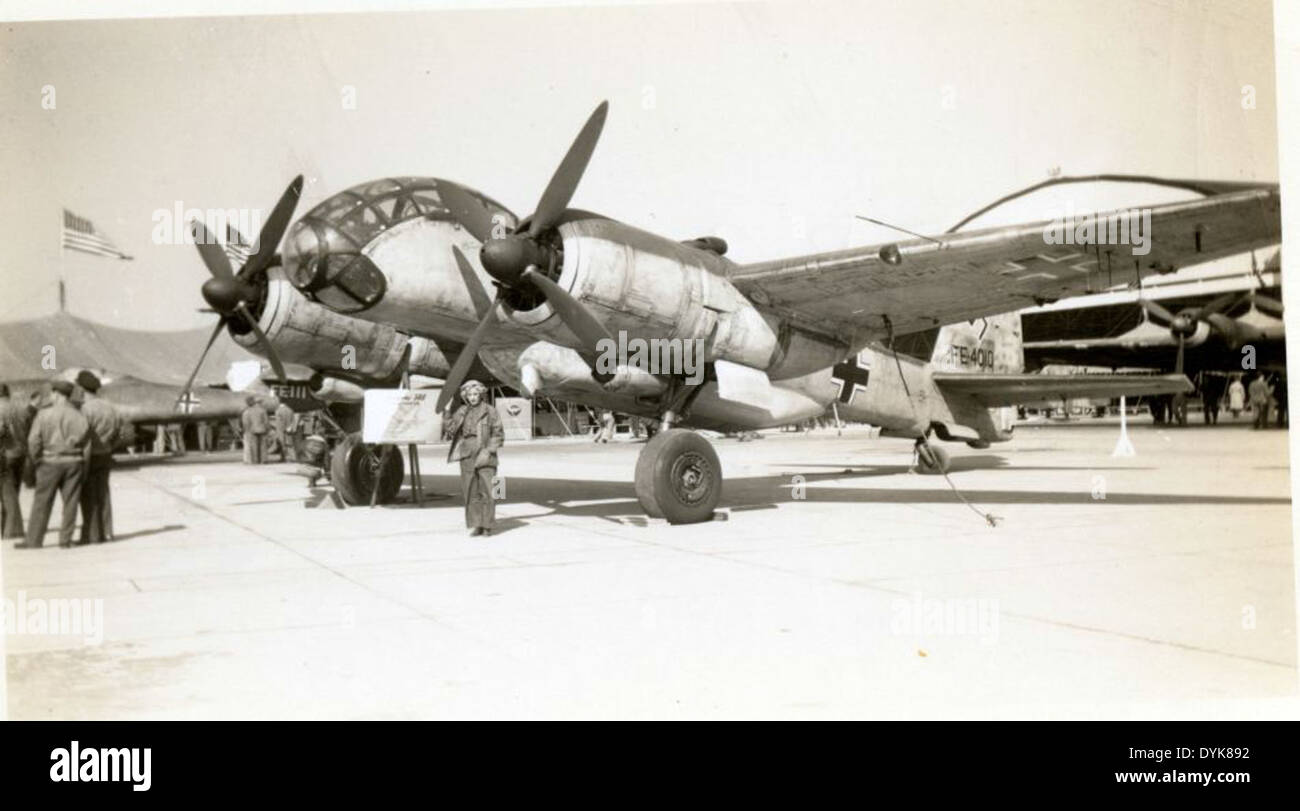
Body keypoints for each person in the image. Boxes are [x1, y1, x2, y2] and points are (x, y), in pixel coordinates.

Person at [20, 380, 90, 549]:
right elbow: (86, 445)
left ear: (57, 394)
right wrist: (84, 466)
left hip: (49, 462)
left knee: (41, 502)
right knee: (71, 502)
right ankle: (65, 541)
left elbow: (33, 441)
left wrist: (37, 460)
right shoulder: (79, 415)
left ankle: (34, 541)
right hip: (74, 462)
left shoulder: (43, 414)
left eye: (51, 393)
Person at [446, 380, 504, 537]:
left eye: (475, 394)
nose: (472, 397)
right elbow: (450, 430)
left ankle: (488, 526)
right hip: (466, 453)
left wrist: (489, 450)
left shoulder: (491, 411)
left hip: (485, 452)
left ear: (481, 394)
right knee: (470, 491)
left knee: (491, 490)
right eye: (469, 394)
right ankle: (476, 524)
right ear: (465, 396)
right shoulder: (462, 411)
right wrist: (447, 412)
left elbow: (498, 434)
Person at [76, 371, 121, 544]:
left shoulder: (84, 409)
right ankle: (108, 532)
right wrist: (110, 446)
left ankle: (92, 535)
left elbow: (81, 434)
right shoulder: (110, 407)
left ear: (81, 388)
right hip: (106, 454)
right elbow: (120, 432)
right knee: (104, 494)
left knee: (88, 495)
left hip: (90, 455)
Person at [0, 383, 32, 538]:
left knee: (7, 494)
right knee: (13, 492)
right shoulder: (21, 409)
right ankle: (7, 527)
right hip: (21, 454)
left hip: (5, 455)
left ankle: (13, 530)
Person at [240, 396, 269, 464]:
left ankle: (255, 460)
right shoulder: (262, 410)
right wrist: (267, 429)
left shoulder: (247, 411)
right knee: (263, 445)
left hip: (252, 430)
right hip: (262, 430)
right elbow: (266, 421)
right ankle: (263, 460)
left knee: (254, 446)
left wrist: (247, 430)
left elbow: (245, 423)